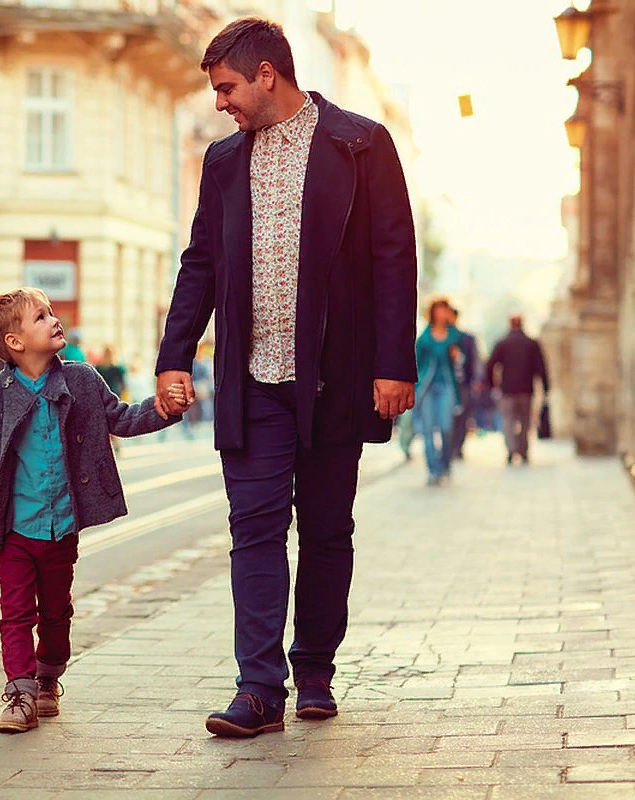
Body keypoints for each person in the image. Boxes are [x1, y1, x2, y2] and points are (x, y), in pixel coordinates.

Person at [153, 17, 417, 738]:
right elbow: (200, 260)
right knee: (256, 529)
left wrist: (396, 363)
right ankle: (259, 688)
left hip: (335, 378)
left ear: (267, 74)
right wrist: (175, 353)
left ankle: (317, 673)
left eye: (228, 87)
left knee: (328, 529)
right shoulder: (224, 162)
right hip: (252, 379)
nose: (220, 102)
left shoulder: (360, 143)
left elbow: (395, 257)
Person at [0, 287, 179, 734]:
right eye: (41, 317)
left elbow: (119, 418)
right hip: (14, 528)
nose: (54, 320)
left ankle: (48, 677)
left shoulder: (81, 380)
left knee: (56, 612)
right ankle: (19, 694)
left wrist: (162, 410)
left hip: (62, 525)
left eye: (50, 312)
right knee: (16, 612)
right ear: (16, 344)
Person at [485, 314, 550, 465]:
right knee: (525, 422)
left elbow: (490, 365)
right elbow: (541, 367)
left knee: (508, 421)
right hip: (526, 389)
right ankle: (523, 451)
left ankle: (511, 450)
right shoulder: (531, 343)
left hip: (507, 389)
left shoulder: (502, 342)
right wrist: (546, 386)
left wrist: (492, 385)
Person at [414, 299, 463, 486]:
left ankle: (445, 465)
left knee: (446, 427)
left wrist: (458, 357)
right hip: (427, 388)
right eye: (439, 310)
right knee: (427, 430)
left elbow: (463, 362)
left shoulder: (455, 336)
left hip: (447, 387)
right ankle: (433, 470)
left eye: (445, 310)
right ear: (433, 313)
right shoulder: (424, 338)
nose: (442, 314)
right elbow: (416, 364)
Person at [446, 305, 481, 461]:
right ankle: (448, 447)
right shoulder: (437, 337)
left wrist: (477, 381)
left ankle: (457, 447)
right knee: (447, 418)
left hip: (464, 383)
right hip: (445, 384)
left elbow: (476, 361)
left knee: (462, 417)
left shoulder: (467, 338)